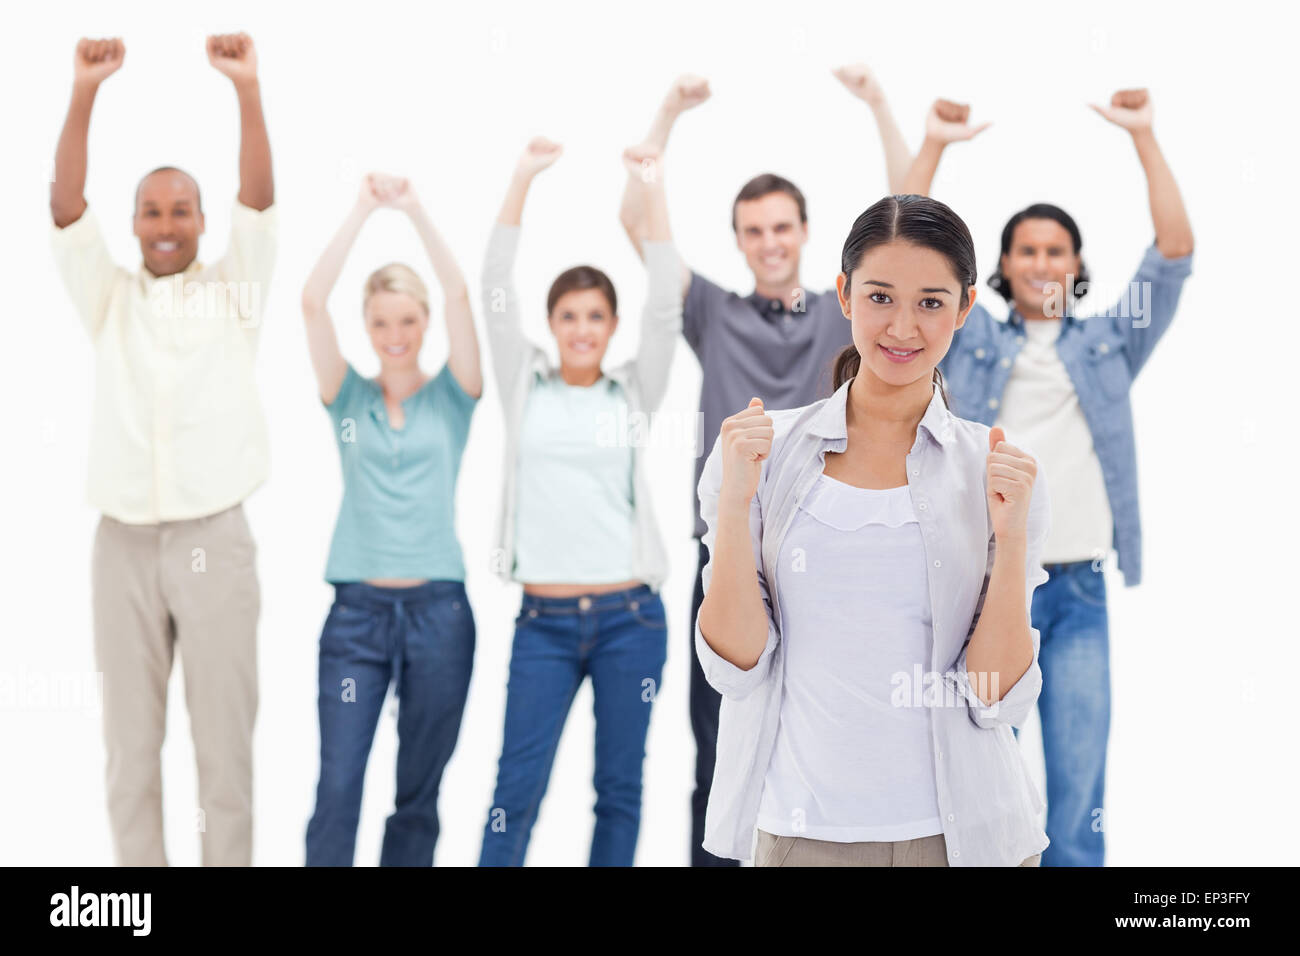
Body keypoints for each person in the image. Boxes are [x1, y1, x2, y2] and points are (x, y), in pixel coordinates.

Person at [696, 193, 1051, 867]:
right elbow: (735, 667)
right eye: (881, 296)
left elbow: (994, 696)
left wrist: (1010, 542)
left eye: (931, 302)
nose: (903, 327)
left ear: (965, 308)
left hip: (963, 839)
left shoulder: (995, 469)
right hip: (800, 836)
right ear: (845, 294)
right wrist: (738, 502)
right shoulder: (761, 453)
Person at [617, 66, 911, 866]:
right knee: (718, 751)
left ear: (806, 232)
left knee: (832, 746)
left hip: (831, 557)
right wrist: (668, 114)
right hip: (731, 559)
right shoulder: (710, 312)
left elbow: (911, 217)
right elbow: (634, 220)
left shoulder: (846, 312)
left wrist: (880, 103)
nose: (769, 243)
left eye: (782, 228)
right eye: (753, 231)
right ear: (740, 239)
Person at [896, 89, 1194, 866]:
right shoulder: (965, 340)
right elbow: (901, 250)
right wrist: (936, 146)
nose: (1041, 262)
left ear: (1077, 264)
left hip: (1080, 593)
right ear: (997, 268)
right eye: (1026, 250)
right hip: (988, 588)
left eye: (1055, 250)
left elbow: (1174, 254)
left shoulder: (1109, 347)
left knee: (1077, 796)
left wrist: (1144, 136)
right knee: (978, 790)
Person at [49, 33, 276, 867]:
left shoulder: (235, 291)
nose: (167, 225)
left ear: (203, 222)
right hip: (121, 547)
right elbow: (67, 207)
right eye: (152, 210)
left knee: (224, 758)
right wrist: (84, 93)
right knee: (128, 757)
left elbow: (260, 198)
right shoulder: (108, 299)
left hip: (215, 538)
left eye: (183, 210)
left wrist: (245, 89)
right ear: (136, 223)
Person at [477, 138, 681, 866]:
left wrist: (651, 189)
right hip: (544, 623)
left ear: (610, 326)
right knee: (515, 788)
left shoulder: (633, 392)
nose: (583, 329)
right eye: (569, 316)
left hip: (632, 620)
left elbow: (666, 304)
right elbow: (493, 285)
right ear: (552, 323)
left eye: (596, 316)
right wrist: (522, 176)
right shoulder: (523, 384)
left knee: (619, 790)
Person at [301, 173, 483, 866]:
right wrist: (359, 211)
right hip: (357, 617)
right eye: (380, 323)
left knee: (417, 793)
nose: (395, 335)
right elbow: (311, 301)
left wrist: (414, 212)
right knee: (339, 784)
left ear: (425, 322)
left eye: (408, 320)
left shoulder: (455, 396)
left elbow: (463, 294)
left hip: (440, 612)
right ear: (367, 327)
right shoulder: (346, 397)